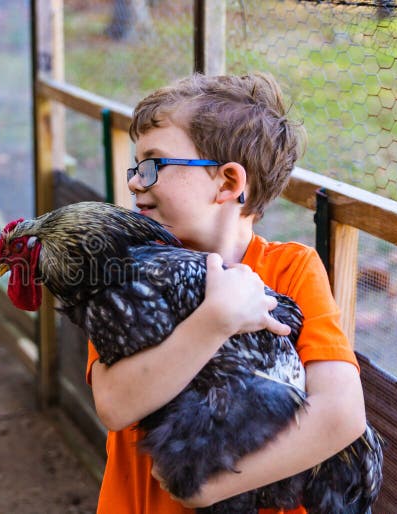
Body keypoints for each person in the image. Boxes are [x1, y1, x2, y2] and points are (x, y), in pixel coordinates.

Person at [86, 72, 366, 513]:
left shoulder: (291, 270)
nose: (135, 183)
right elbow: (115, 405)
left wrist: (205, 487)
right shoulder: (129, 273)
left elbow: (342, 414)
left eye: (153, 164)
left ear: (228, 183)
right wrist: (215, 320)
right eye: (135, 166)